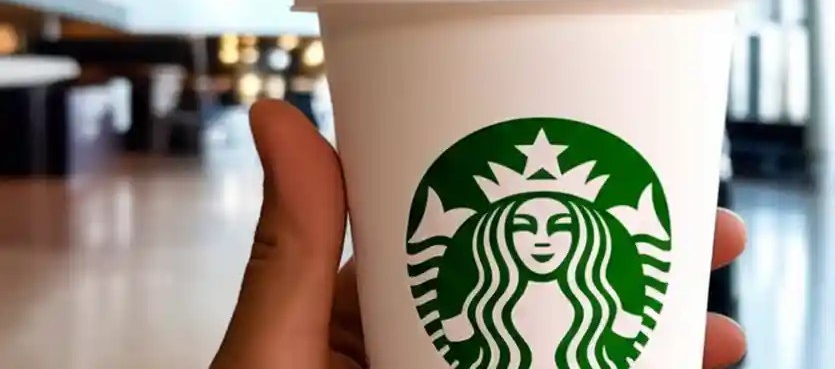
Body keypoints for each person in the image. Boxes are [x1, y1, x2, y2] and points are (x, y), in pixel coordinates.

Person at [211, 100, 749, 369]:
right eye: (523, 224)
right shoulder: (473, 322)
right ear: (495, 236)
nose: (542, 239)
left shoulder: (613, 318)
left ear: (588, 235)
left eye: (561, 225)